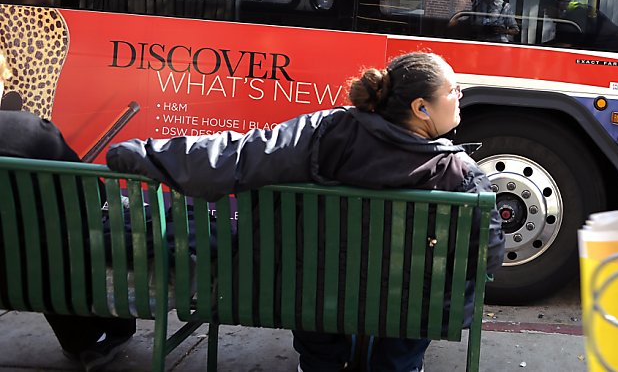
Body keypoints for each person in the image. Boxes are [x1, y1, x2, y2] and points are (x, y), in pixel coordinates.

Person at [106, 51, 504, 372]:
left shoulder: (325, 133)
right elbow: (488, 257)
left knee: (316, 283)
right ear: (421, 107)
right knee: (417, 300)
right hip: (409, 317)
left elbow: (239, 155)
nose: (461, 97)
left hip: (314, 306)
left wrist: (145, 154)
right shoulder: (461, 174)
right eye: (454, 90)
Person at [0, 105, 137, 372]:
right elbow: (89, 194)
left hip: (10, 277)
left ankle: (83, 340)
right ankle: (88, 342)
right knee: (54, 248)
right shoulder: (28, 131)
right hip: (47, 278)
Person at [540, 0, 618, 52]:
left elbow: (561, 51)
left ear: (558, 6)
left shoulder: (570, 21)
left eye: (546, 8)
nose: (546, 13)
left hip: (615, 55)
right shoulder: (578, 9)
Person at [450, 0, 519, 43]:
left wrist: (503, 31)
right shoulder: (477, 5)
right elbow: (469, 22)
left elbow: (516, 30)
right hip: (480, 42)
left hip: (499, 43)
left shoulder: (504, 7)